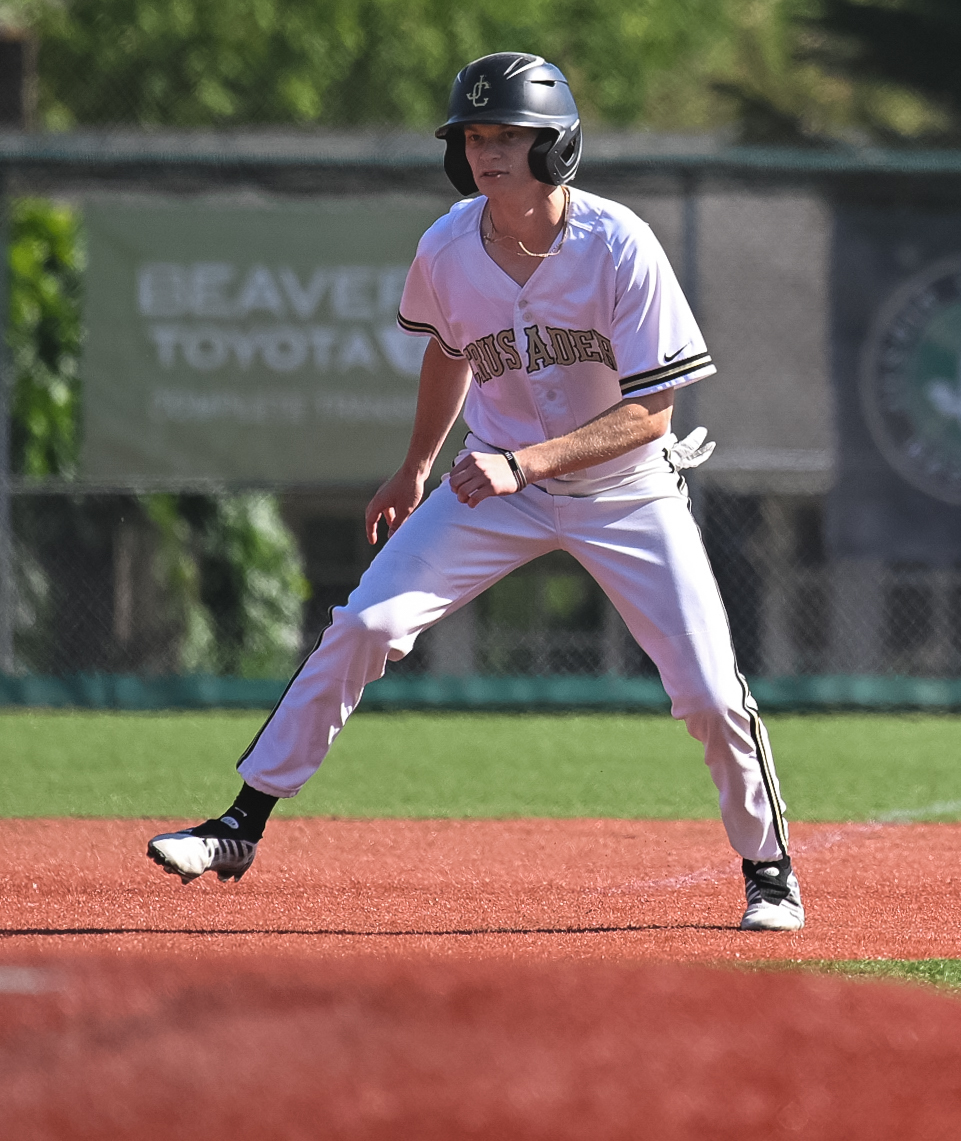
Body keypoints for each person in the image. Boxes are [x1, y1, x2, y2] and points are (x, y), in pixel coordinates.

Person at [146, 51, 803, 932]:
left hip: (623, 491)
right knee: (369, 623)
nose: (489, 151)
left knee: (709, 692)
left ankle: (767, 869)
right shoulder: (448, 245)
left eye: (511, 135)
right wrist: (416, 464)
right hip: (491, 482)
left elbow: (650, 414)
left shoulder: (618, 244)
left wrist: (525, 464)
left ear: (556, 147)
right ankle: (240, 823)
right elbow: (448, 350)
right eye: (476, 135)